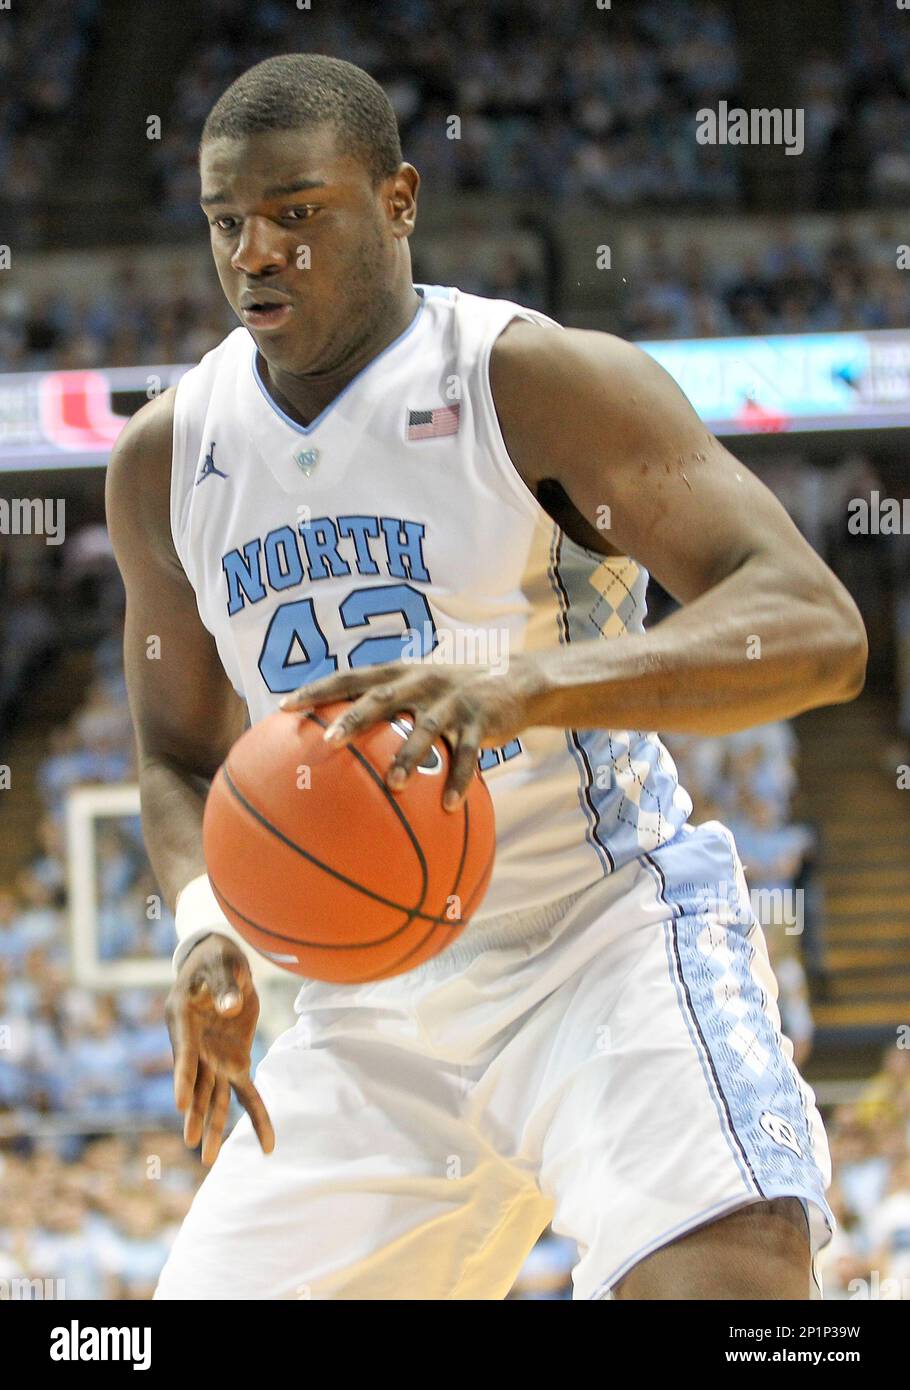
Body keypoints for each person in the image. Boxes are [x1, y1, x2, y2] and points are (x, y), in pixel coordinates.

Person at [104, 55, 868, 1301]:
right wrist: (205, 928)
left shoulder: (533, 383)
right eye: (227, 220)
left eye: (299, 213)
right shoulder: (166, 458)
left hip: (598, 941)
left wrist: (527, 690)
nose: (255, 253)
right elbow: (176, 757)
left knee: (730, 1290)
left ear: (399, 200)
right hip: (362, 1006)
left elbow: (814, 627)